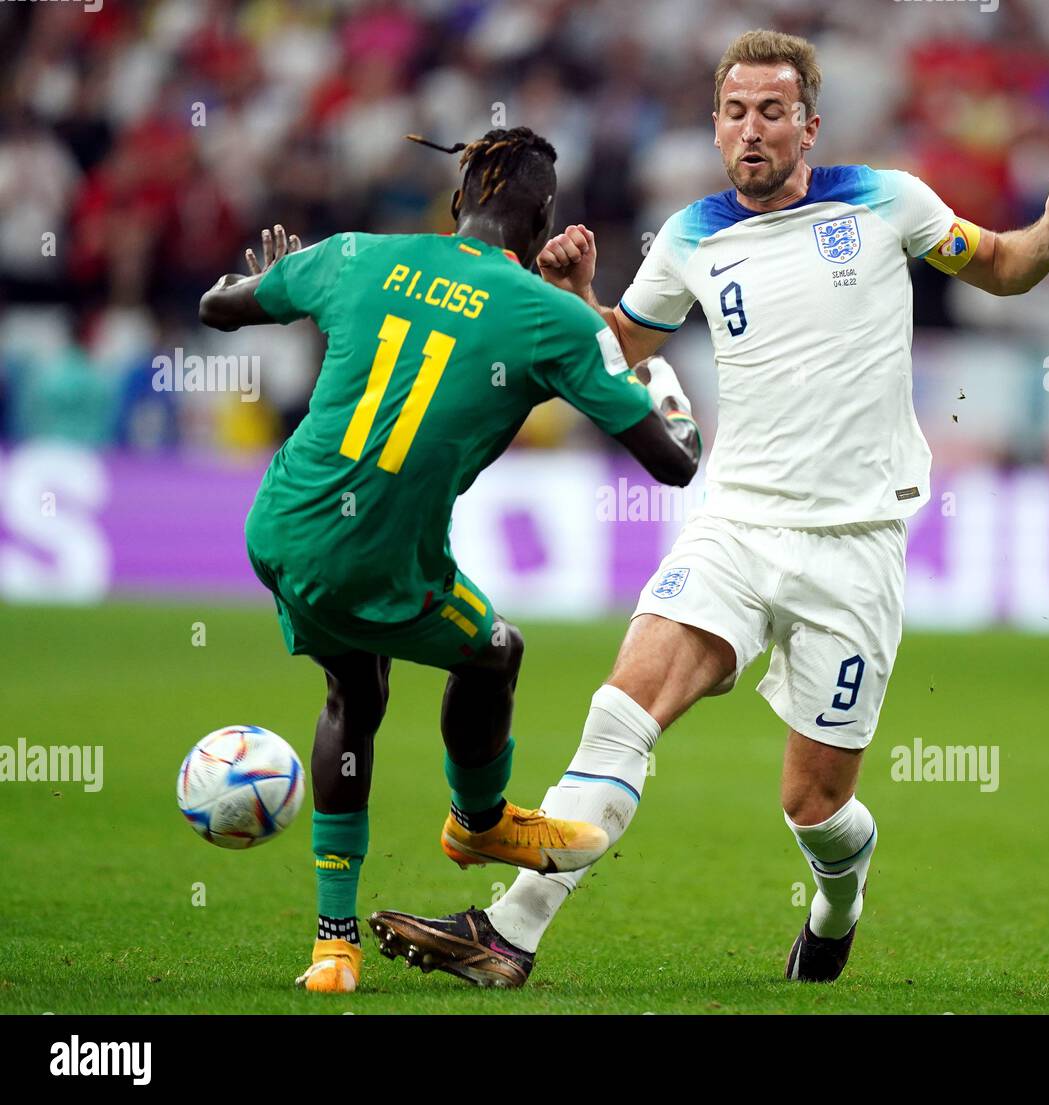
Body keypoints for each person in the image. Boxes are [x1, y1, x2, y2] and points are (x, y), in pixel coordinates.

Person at [370, 29, 1049, 988]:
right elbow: (621, 352)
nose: (752, 130)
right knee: (620, 709)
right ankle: (507, 936)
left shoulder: (888, 200)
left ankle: (837, 903)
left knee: (814, 807)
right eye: (735, 113)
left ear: (810, 124)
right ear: (716, 127)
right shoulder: (689, 234)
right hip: (734, 526)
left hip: (855, 544)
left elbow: (1004, 266)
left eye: (772, 112)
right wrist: (577, 298)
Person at [197, 126, 702, 993]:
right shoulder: (545, 316)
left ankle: (334, 945)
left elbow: (219, 307)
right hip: (382, 561)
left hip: (278, 531)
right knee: (493, 648)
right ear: (544, 220)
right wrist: (598, 321)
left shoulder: (354, 253)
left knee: (354, 691)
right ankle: (477, 820)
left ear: (460, 199)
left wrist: (263, 278)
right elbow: (676, 461)